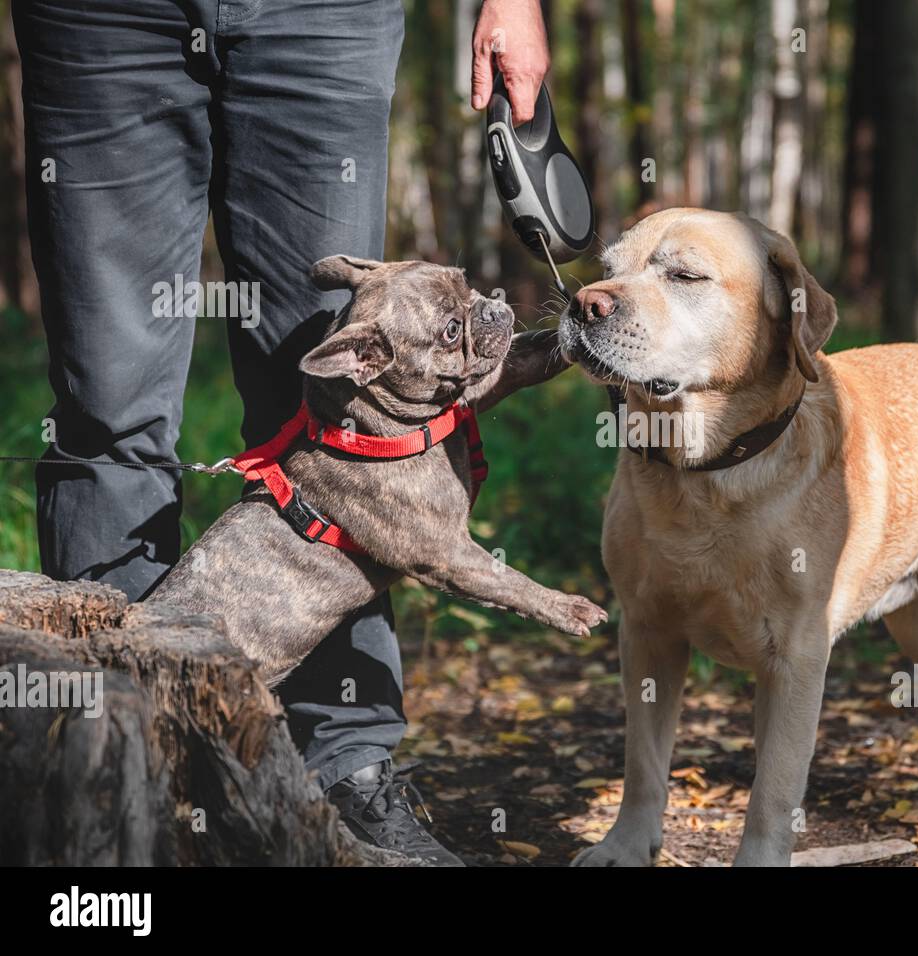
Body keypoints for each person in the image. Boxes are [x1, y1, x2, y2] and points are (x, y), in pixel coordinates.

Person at [13, 0, 550, 865]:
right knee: (107, 413)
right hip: (99, 19)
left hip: (323, 17)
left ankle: (347, 769)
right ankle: (106, 769)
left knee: (340, 392)